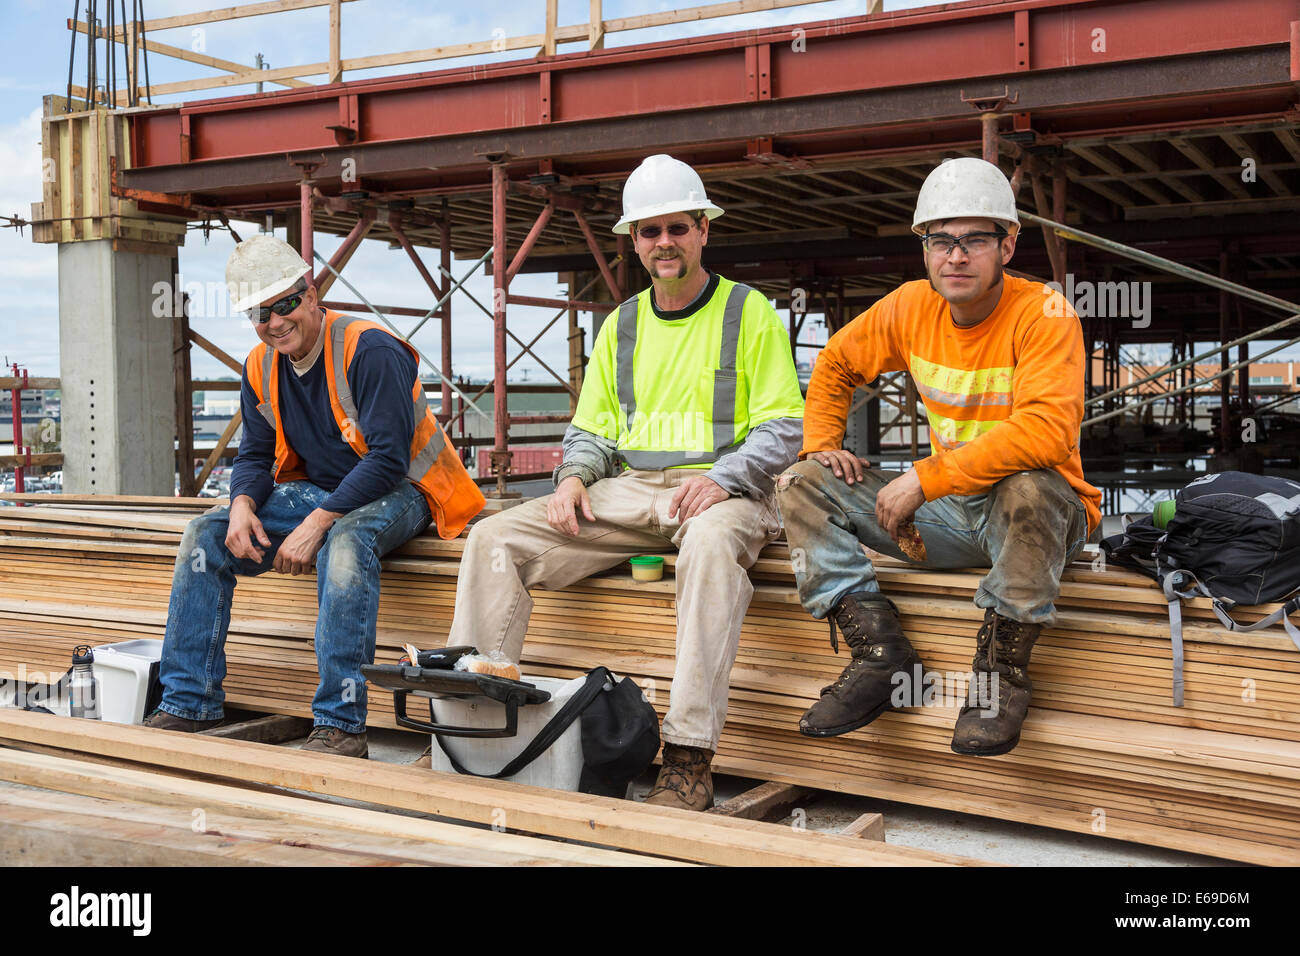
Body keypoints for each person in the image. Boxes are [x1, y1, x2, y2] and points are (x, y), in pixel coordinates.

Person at [446, 154, 805, 809]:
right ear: (633, 241)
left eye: (676, 227)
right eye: (648, 231)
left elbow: (785, 428)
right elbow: (593, 430)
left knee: (708, 548)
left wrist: (723, 479)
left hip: (726, 495)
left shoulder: (748, 313)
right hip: (632, 491)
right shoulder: (623, 325)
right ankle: (467, 731)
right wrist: (575, 478)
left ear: (703, 230)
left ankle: (690, 756)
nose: (662, 242)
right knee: (495, 539)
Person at [776, 157, 1101, 756]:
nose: (956, 255)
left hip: (1039, 520)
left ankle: (1000, 677)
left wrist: (926, 478)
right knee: (800, 481)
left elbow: (1048, 431)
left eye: (975, 239)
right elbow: (836, 363)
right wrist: (824, 444)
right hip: (950, 519)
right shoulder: (908, 307)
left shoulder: (1045, 314)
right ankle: (880, 657)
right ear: (924, 248)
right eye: (940, 239)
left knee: (1027, 484)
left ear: (1007, 246)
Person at [144, 234, 483, 757]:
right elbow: (256, 455)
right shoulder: (259, 366)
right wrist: (240, 505)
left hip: (410, 490)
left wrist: (318, 521)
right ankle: (188, 702)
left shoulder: (369, 350)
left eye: (285, 304)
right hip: (326, 491)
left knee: (344, 542)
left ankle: (342, 725)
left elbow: (388, 459)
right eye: (261, 313)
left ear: (311, 292)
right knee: (203, 534)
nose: (276, 322)